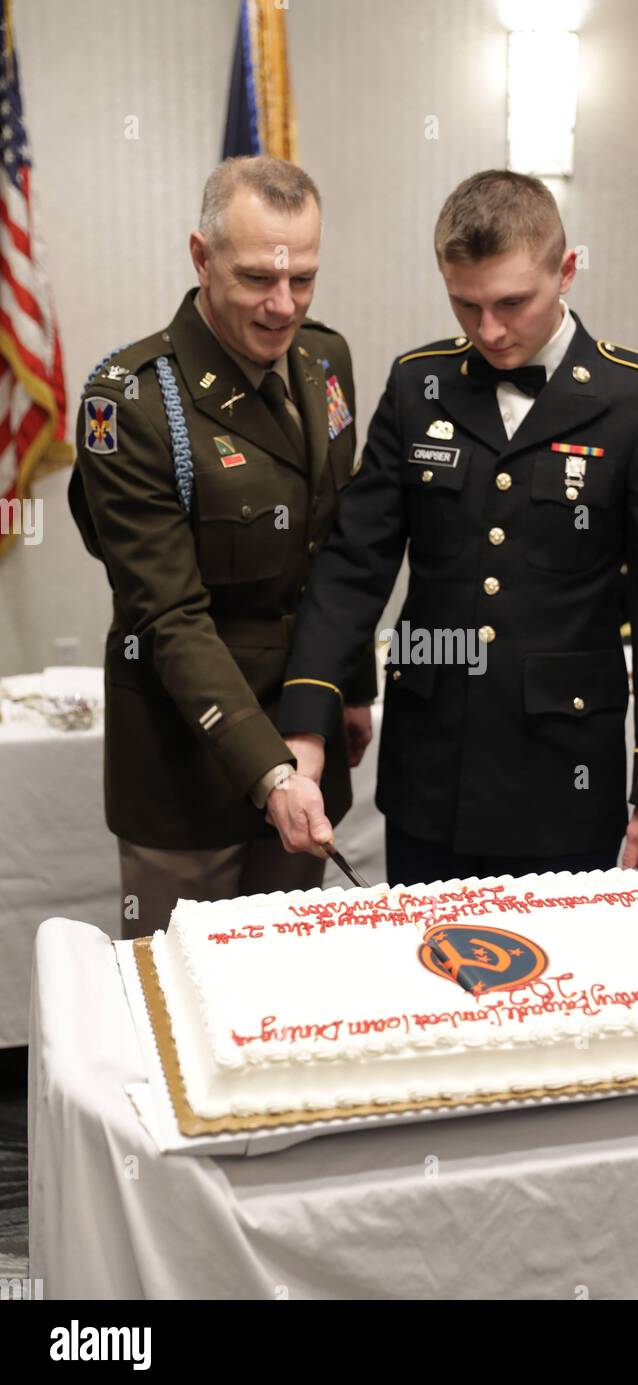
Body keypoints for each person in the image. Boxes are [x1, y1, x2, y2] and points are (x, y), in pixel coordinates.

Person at [267, 169, 638, 884]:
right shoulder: (420, 384)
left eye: (513, 303)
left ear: (566, 272)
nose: (490, 330)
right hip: (428, 771)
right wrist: (305, 725)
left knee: (557, 986)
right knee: (423, 972)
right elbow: (356, 562)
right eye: (465, 305)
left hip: (562, 774)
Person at [68, 155, 375, 937]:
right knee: (181, 1005)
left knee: (289, 988)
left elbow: (335, 539)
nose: (283, 307)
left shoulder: (325, 358)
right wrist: (267, 770)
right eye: (255, 280)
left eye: (303, 279)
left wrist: (352, 685)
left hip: (308, 736)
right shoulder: (129, 402)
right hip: (186, 769)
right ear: (201, 258)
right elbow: (168, 614)